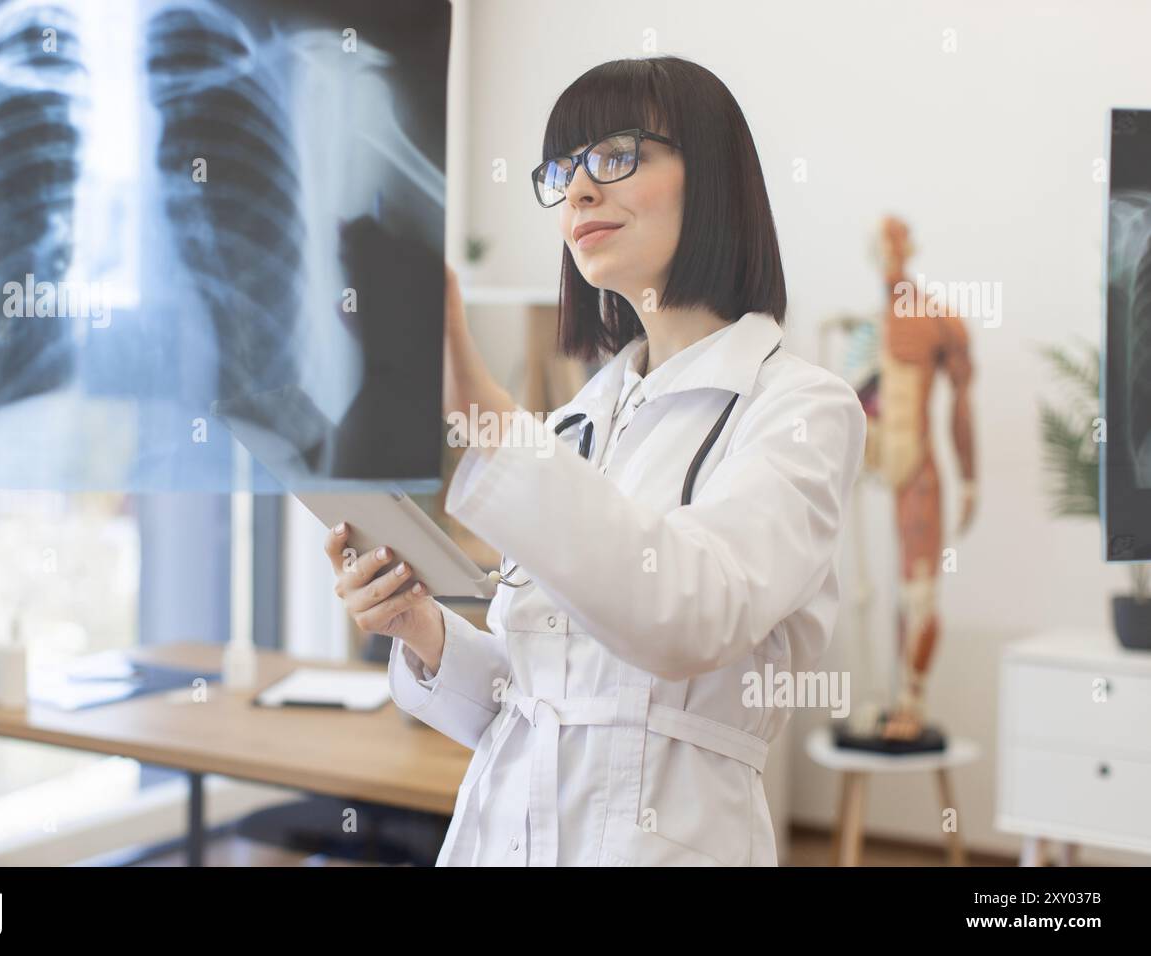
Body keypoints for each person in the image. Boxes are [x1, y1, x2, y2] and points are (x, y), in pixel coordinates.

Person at [324, 55, 867, 866]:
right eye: (563, 168)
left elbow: (690, 615)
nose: (578, 190)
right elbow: (529, 701)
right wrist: (423, 629)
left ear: (712, 177)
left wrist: (476, 400)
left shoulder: (802, 408)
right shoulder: (579, 421)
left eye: (615, 156)